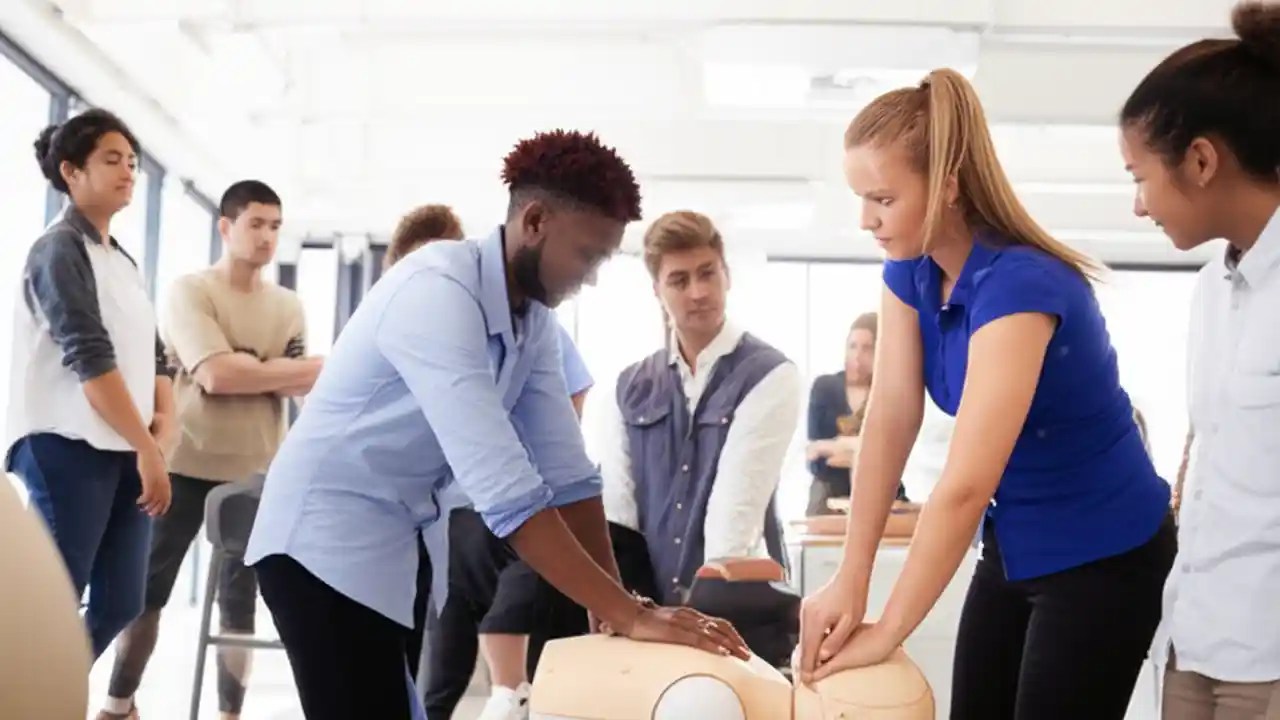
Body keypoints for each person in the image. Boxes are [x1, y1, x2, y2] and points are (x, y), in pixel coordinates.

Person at [242, 130, 749, 720]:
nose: (588, 277)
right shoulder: (437, 291)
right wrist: (632, 614)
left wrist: (616, 604)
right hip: (317, 544)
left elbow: (568, 476)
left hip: (390, 548)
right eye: (585, 254)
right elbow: (507, 490)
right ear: (534, 220)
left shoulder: (529, 320)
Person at [794, 68, 1176, 720]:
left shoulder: (1020, 286)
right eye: (861, 198)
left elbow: (968, 483)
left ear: (946, 186)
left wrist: (889, 628)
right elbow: (888, 418)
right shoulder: (909, 271)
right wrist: (850, 579)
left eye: (882, 199)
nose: (865, 220)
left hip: (1105, 549)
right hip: (1017, 541)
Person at [100, 181, 321, 720]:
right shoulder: (189, 292)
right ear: (226, 227)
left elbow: (308, 381)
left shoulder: (288, 305)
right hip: (181, 465)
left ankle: (229, 715)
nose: (267, 236)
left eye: (275, 226)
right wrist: (264, 371)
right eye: (256, 224)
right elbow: (218, 375)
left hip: (256, 473)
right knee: (147, 593)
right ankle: (117, 704)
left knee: (239, 604)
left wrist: (254, 369)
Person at [1119, 3, 1280, 716]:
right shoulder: (1213, 289)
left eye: (1140, 176)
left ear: (1203, 161)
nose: (1138, 206)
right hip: (1194, 636)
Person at [381, 202, 595, 720]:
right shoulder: (406, 319)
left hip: (500, 503)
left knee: (506, 594)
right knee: (435, 640)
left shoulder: (531, 322)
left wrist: (613, 605)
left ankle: (509, 693)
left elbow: (570, 420)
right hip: (427, 514)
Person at [6, 108, 175, 665]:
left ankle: (41, 699)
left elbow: (154, 354)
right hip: (64, 446)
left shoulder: (120, 260)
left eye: (131, 161)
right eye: (111, 159)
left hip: (123, 448)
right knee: (50, 605)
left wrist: (162, 427)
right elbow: (90, 357)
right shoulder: (58, 250)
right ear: (71, 170)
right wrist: (148, 446)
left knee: (121, 601)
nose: (128, 171)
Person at [598, 210, 802, 607]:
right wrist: (628, 610)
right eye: (679, 280)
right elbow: (617, 514)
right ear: (656, 290)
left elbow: (734, 519)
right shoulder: (629, 388)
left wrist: (695, 620)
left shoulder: (769, 375)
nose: (698, 292)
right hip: (644, 606)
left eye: (707, 273)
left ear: (726, 274)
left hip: (732, 602)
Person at [805, 312, 909, 515]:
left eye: (867, 348)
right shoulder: (824, 387)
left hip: (882, 492)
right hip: (828, 494)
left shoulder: (888, 394)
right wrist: (865, 452)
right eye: (852, 346)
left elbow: (891, 453)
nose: (857, 356)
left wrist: (836, 446)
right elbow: (815, 454)